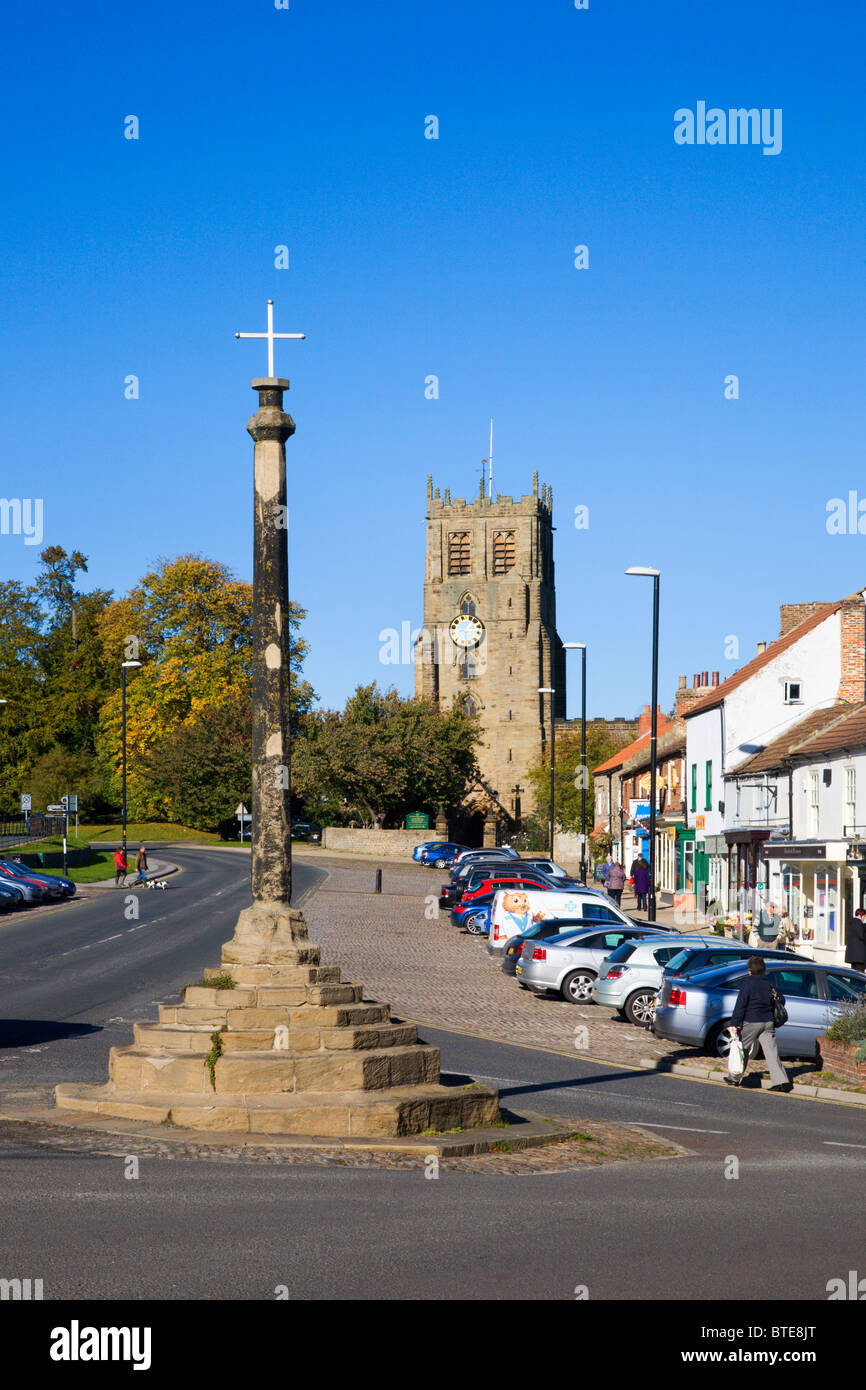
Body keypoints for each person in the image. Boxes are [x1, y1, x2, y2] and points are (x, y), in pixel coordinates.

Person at [725, 956, 790, 1091]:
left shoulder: (747, 983)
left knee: (741, 1049)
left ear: (750, 970)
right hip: (768, 1022)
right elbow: (781, 1000)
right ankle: (780, 1082)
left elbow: (741, 1005)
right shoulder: (769, 983)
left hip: (752, 1021)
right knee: (772, 1053)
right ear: (763, 970)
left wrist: (735, 1024)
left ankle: (734, 1078)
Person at [845, 907, 866, 974]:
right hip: (859, 956)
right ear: (860, 915)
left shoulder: (852, 922)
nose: (864, 918)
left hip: (852, 955)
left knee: (854, 974)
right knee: (859, 975)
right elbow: (861, 936)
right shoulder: (858, 923)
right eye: (864, 916)